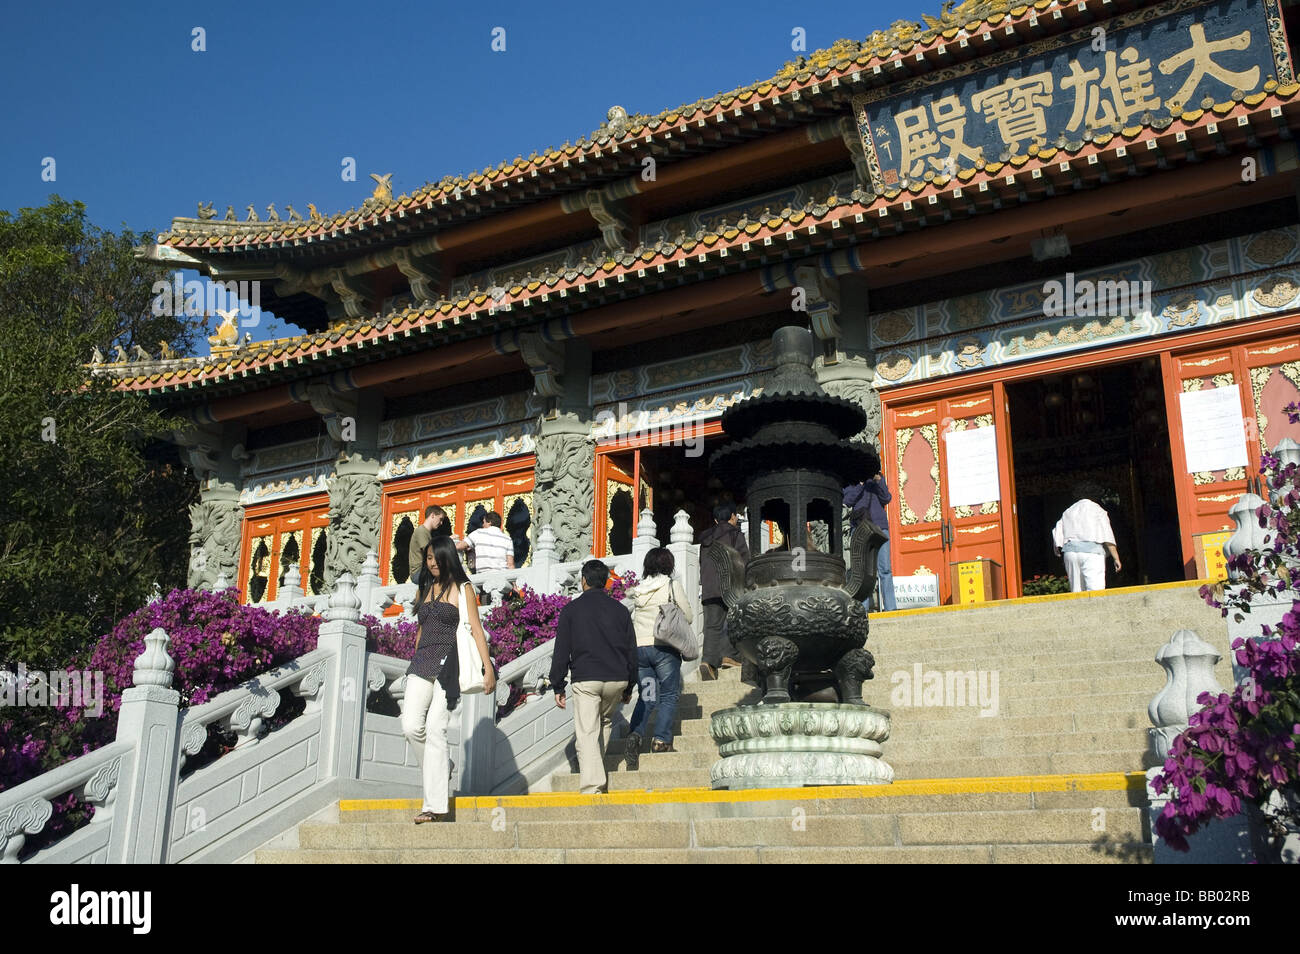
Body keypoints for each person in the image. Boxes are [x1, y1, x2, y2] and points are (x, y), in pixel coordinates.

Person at [400, 536, 495, 823]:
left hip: (449, 663)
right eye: (428, 559)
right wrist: (414, 656)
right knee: (410, 726)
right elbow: (421, 628)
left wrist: (487, 667)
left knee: (435, 729)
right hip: (422, 661)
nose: (431, 563)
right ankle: (443, 766)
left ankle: (433, 806)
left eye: (435, 558)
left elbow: (476, 629)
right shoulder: (426, 588)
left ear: (447, 557)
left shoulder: (462, 588)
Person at [549, 560, 638, 794]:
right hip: (617, 678)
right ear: (606, 582)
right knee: (604, 722)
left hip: (587, 678)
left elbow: (561, 651)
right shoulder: (620, 609)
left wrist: (557, 684)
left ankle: (592, 785)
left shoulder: (571, 610)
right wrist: (630, 686)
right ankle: (596, 771)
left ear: (584, 581)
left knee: (587, 732)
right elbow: (631, 648)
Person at [624, 547, 694, 766]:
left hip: (641, 651)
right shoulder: (671, 585)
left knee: (648, 695)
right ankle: (661, 740)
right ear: (668, 565)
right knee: (669, 695)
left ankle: (635, 735)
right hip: (664, 650)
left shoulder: (638, 590)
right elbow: (689, 616)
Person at [698, 504, 748, 680]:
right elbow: (744, 560)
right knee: (733, 621)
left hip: (709, 588)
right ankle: (730, 656)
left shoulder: (705, 539)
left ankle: (708, 662)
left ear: (715, 520)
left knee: (712, 626)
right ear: (733, 517)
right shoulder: (735, 534)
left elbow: (701, 563)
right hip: (730, 586)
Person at [1052, 484, 1122, 592]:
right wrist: (1116, 558)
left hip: (1070, 552)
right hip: (1092, 552)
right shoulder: (1098, 510)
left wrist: (1058, 549)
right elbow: (1107, 535)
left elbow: (1057, 531)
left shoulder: (1068, 511)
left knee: (1076, 590)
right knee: (1095, 589)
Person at [844, 471, 896, 611]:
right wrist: (860, 484)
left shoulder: (876, 479)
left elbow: (886, 498)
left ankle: (891, 608)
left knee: (885, 569)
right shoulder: (850, 480)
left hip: (880, 527)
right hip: (861, 529)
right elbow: (847, 500)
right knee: (862, 571)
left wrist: (878, 480)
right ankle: (863, 610)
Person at [407, 505, 468, 585]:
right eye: (440, 519)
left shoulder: (426, 533)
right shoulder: (421, 531)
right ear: (432, 515)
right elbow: (430, 552)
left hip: (426, 571)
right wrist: (448, 540)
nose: (441, 523)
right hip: (419, 573)